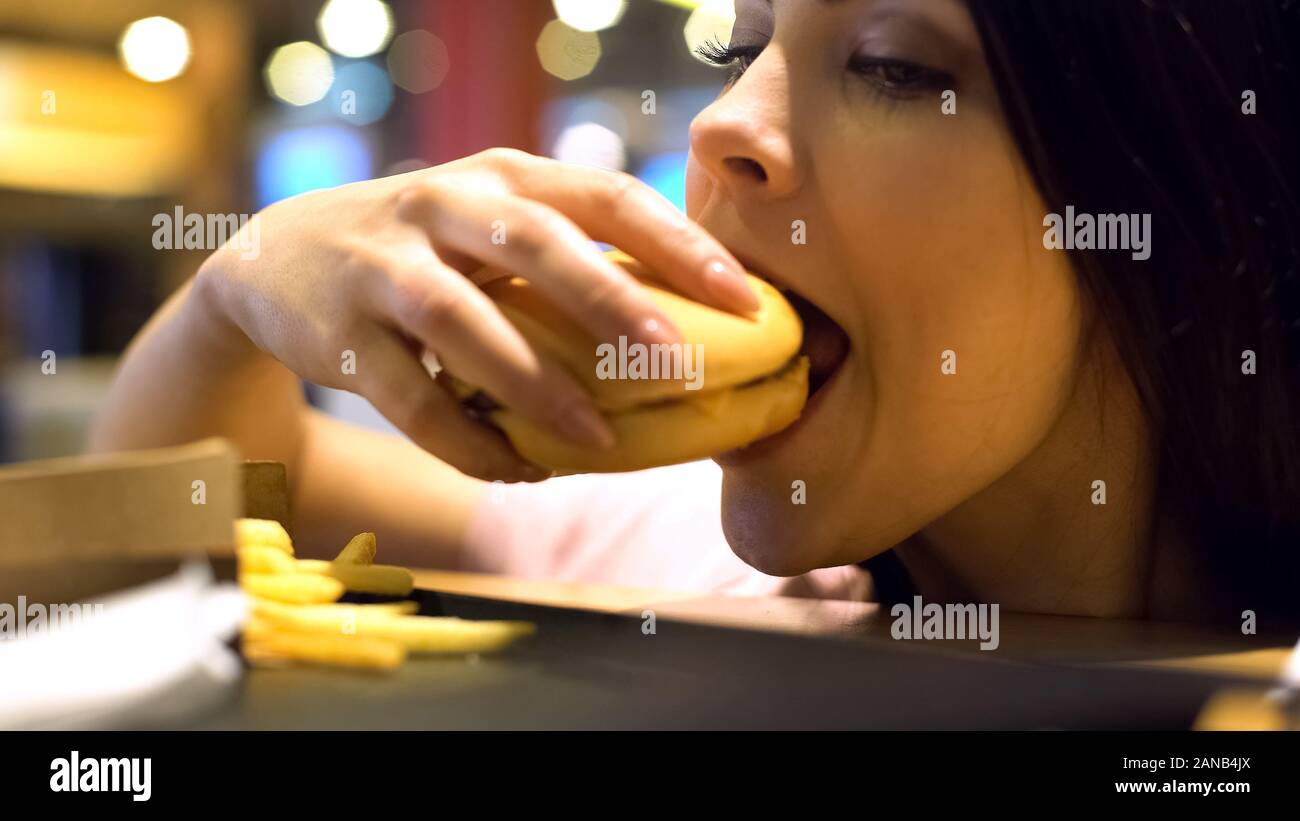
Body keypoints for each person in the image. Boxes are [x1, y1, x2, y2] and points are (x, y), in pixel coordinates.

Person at [91, 0, 1300, 625]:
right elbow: (164, 536)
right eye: (744, 44)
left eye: (892, 64)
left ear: (1163, 186)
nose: (722, 127)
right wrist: (229, 296)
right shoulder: (655, 561)